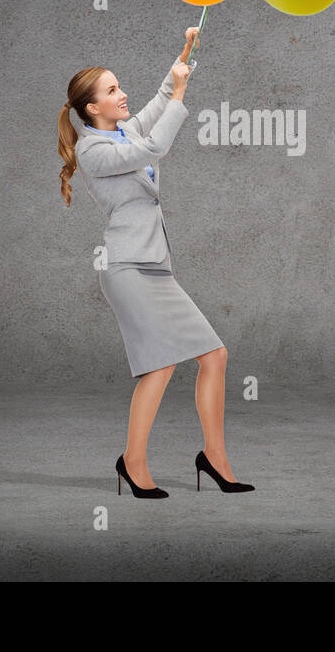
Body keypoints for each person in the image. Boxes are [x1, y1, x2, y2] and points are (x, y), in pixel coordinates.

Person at [57, 27, 254, 498]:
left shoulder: (124, 129)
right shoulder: (94, 150)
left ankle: (214, 457)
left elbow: (159, 101)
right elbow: (153, 148)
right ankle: (134, 462)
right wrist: (182, 96)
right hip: (126, 268)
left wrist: (182, 60)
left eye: (120, 86)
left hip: (153, 265)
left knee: (214, 355)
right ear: (91, 109)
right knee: (161, 367)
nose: (122, 94)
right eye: (111, 90)